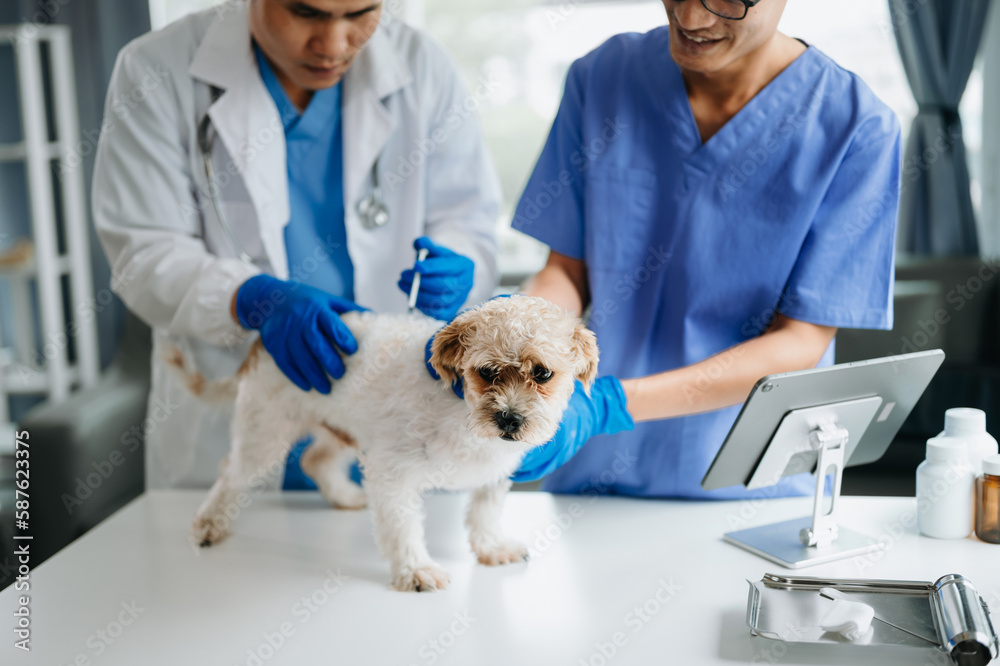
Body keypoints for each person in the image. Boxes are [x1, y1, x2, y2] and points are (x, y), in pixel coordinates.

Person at [93, 0, 501, 489]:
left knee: (399, 547)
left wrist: (461, 263)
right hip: (233, 409)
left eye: (360, 12)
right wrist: (250, 298)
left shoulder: (422, 65)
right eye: (305, 12)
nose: (332, 45)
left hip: (395, 408)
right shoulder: (157, 69)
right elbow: (143, 250)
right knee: (232, 551)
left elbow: (469, 219)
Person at [507, 0, 901, 498]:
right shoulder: (604, 76)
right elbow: (566, 271)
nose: (691, 19)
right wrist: (519, 327)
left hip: (750, 489)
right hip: (593, 475)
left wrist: (610, 405)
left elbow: (801, 340)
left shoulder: (855, 127)